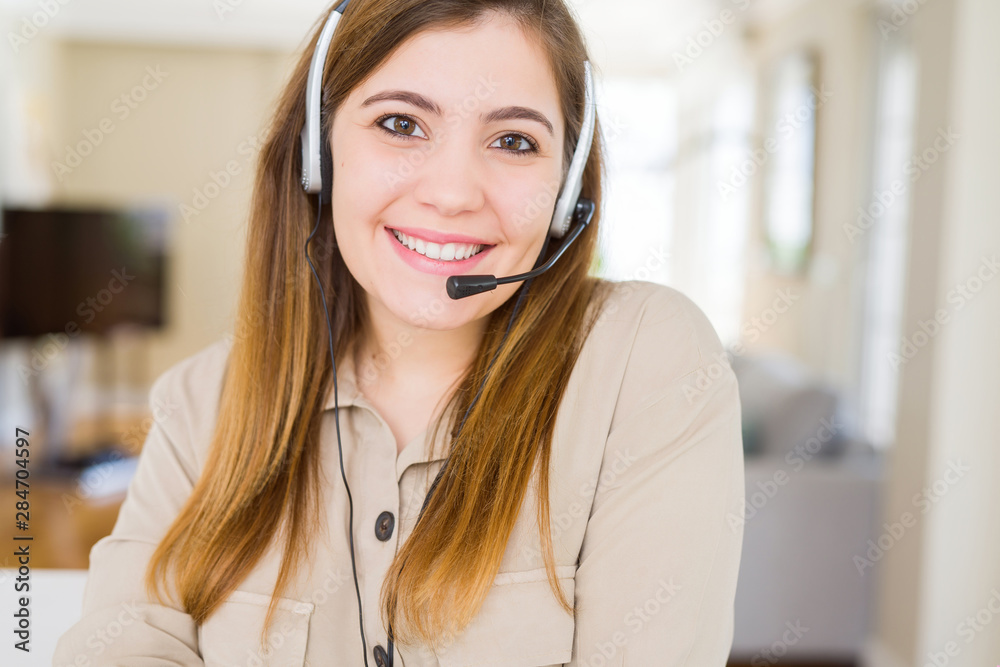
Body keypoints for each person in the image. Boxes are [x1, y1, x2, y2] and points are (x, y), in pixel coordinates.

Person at [53, 0, 745, 665]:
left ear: (565, 191)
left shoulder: (644, 364)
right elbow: (124, 638)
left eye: (513, 141)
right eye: (401, 124)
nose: (452, 193)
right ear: (318, 156)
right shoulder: (203, 403)